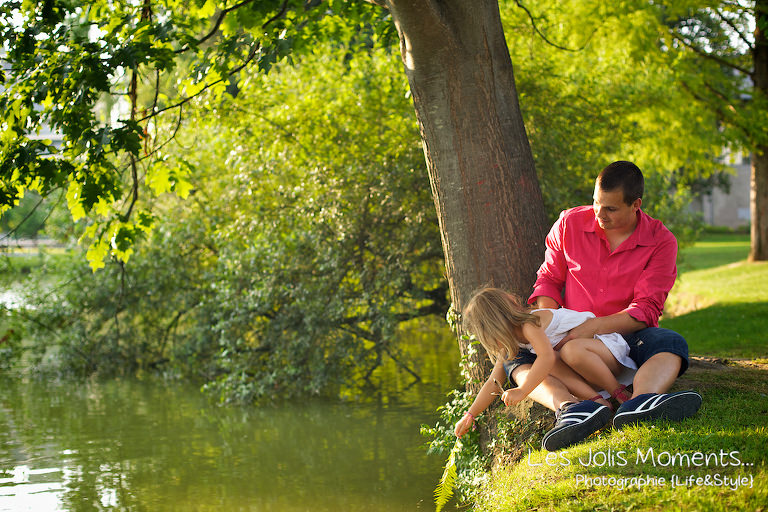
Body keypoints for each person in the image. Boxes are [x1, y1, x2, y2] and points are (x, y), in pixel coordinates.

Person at [504, 160, 701, 451]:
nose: (599, 213)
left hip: (626, 338)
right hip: (566, 337)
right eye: (596, 202)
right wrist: (548, 325)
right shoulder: (569, 224)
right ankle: (572, 409)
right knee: (513, 355)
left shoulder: (661, 241)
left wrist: (593, 327)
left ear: (636, 205)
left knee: (670, 343)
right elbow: (548, 279)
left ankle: (639, 403)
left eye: (610, 208)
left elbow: (646, 307)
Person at [454, 288, 637, 439]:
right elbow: (493, 382)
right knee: (551, 361)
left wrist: (522, 390)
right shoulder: (514, 339)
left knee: (557, 354)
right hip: (587, 367)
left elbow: (546, 357)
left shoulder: (529, 323)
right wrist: (470, 414)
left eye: (487, 336)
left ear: (495, 326)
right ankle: (598, 402)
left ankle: (620, 393)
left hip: (608, 353)